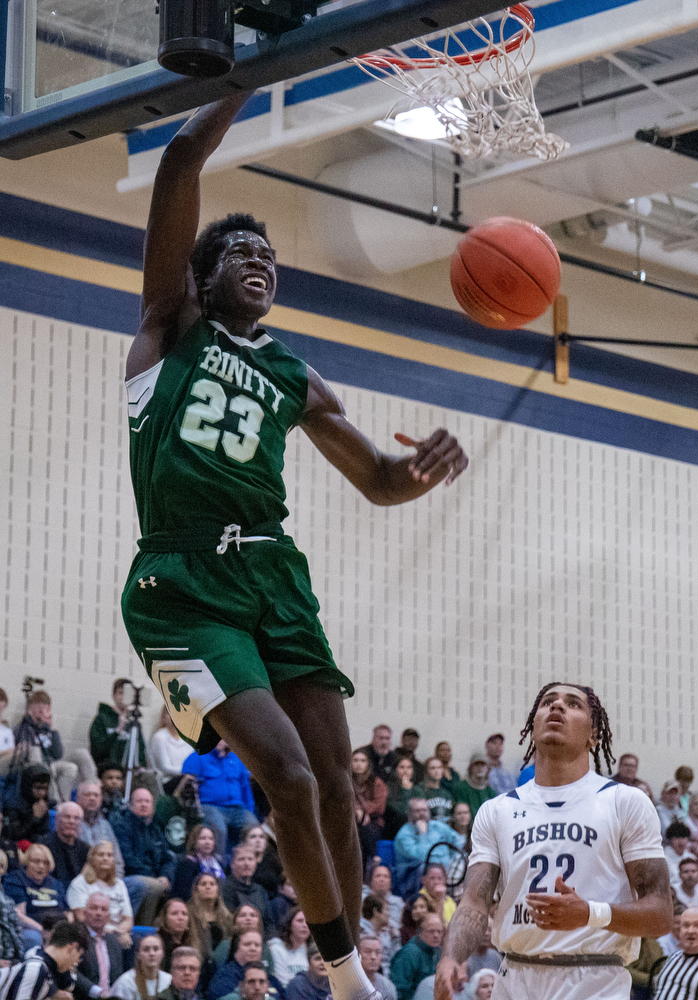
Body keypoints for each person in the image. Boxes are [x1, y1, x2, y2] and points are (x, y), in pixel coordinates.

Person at [120, 91, 467, 1000]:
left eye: (271, 257)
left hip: (273, 574)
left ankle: (340, 970)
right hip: (180, 582)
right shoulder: (168, 328)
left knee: (336, 796)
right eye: (240, 251)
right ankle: (349, 979)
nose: (260, 262)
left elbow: (380, 482)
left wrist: (424, 465)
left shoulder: (294, 375)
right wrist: (251, 70)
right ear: (199, 275)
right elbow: (178, 163)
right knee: (284, 775)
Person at [435, 682, 672, 1000]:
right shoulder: (497, 810)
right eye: (548, 702)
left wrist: (590, 913)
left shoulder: (625, 802)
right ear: (532, 729)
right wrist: (451, 956)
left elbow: (660, 915)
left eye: (573, 704)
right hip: (514, 976)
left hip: (594, 980)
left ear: (593, 735)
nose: (557, 706)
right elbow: (475, 903)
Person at [14, 690, 96, 802]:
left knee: (73, 765)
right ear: (31, 709)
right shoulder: (23, 727)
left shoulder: (48, 729)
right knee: (36, 752)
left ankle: (78, 796)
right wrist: (34, 726)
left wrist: (52, 730)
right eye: (39, 710)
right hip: (35, 765)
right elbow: (25, 749)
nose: (42, 713)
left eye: (45, 709)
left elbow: (58, 754)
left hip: (52, 763)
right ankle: (55, 802)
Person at [181, 742, 257, 861]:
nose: (220, 740)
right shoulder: (198, 757)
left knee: (253, 827)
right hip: (210, 806)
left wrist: (250, 811)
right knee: (219, 828)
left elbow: (245, 788)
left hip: (238, 807)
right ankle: (218, 869)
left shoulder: (237, 758)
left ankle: (249, 868)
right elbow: (185, 785)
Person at [111, 786, 174, 924]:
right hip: (130, 878)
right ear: (131, 805)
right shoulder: (122, 827)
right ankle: (140, 927)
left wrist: (165, 875)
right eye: (139, 801)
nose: (144, 804)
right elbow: (127, 859)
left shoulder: (155, 829)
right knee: (151, 885)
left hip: (155, 879)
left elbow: (167, 858)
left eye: (147, 801)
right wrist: (155, 878)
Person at [0, 917, 88, 1000]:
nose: (77, 962)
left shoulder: (46, 968)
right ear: (72, 948)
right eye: (79, 956)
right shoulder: (36, 967)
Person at [67, 841, 134, 947]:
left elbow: (128, 919)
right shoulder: (79, 883)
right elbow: (82, 917)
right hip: (91, 933)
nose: (105, 858)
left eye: (109, 855)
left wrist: (120, 931)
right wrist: (115, 934)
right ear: (92, 858)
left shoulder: (120, 885)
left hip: (119, 933)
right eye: (101, 854)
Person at [394, 800, 464, 900]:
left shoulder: (438, 826)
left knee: (463, 862)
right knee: (431, 871)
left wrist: (451, 857)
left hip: (445, 870)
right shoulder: (404, 834)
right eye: (417, 811)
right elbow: (421, 856)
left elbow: (458, 842)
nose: (421, 813)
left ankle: (458, 902)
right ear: (410, 814)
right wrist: (423, 834)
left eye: (424, 810)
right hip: (415, 875)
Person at [3, 842, 66, 951]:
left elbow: (67, 912)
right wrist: (41, 929)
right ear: (27, 861)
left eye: (45, 863)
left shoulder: (56, 884)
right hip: (30, 929)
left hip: (56, 929)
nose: (41, 866)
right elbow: (19, 915)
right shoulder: (16, 880)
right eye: (36, 861)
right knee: (33, 938)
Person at [90, 679, 148, 772]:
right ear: (114, 695)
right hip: (106, 769)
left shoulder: (134, 723)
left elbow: (140, 750)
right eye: (121, 693)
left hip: (129, 770)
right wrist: (118, 730)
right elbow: (97, 750)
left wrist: (142, 766)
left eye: (127, 694)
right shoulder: (101, 719)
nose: (124, 697)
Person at [76, 891, 126, 995]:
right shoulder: (76, 937)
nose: (99, 913)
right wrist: (97, 992)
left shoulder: (114, 942)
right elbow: (71, 971)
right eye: (94, 908)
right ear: (85, 912)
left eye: (104, 909)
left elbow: (118, 977)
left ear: (108, 916)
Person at [209, 929, 281, 1000]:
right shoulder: (224, 978)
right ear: (237, 948)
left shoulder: (270, 978)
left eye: (257, 945)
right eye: (247, 944)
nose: (253, 948)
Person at [77, 780, 126, 879]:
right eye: (87, 795)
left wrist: (115, 883)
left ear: (100, 799)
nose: (92, 798)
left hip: (109, 881)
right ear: (78, 798)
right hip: (82, 881)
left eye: (96, 795)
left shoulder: (105, 825)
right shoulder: (72, 823)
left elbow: (117, 861)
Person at [390, 913, 443, 1000]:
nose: (436, 935)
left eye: (439, 931)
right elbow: (399, 989)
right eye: (431, 931)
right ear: (420, 932)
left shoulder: (438, 951)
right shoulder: (409, 953)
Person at [188, 872, 233, 966]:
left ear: (217, 889)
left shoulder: (227, 916)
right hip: (197, 962)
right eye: (203, 884)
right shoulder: (188, 913)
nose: (208, 887)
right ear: (196, 890)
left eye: (212, 884)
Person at [111, 933, 172, 999]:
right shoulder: (126, 981)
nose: (151, 953)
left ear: (162, 953)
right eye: (146, 949)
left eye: (156, 949)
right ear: (138, 954)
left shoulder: (168, 980)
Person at [44, 800, 89, 890]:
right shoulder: (45, 846)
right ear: (57, 819)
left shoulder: (85, 849)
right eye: (67, 817)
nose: (71, 821)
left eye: (76, 818)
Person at [174, 826, 226, 902]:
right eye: (202, 838)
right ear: (194, 841)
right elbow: (184, 893)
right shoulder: (188, 864)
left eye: (210, 838)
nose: (207, 842)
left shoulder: (219, 864)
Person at [155, 774, 204, 854]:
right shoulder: (166, 803)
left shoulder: (193, 809)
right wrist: (177, 794)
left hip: (184, 854)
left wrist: (196, 801)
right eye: (188, 785)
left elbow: (197, 829)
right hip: (165, 851)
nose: (190, 790)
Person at [3, 763, 52, 844]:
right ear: (28, 786)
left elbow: (44, 833)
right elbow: (13, 835)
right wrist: (35, 818)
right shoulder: (12, 804)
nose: (42, 793)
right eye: (38, 788)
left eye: (45, 788)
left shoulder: (42, 803)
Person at [362, 865, 403, 956]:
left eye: (385, 876)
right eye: (378, 876)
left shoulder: (398, 903)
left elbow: (396, 927)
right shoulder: (361, 898)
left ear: (390, 882)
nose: (382, 879)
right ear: (371, 880)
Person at [220, 844, 269, 917]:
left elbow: (268, 921)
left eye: (250, 859)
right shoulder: (224, 889)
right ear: (232, 864)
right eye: (241, 859)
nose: (246, 864)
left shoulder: (261, 891)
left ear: (255, 864)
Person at [268, 908, 311, 989]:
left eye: (307, 921)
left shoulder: (313, 951)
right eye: (300, 921)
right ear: (290, 924)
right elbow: (282, 981)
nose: (305, 925)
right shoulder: (277, 948)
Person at [158, 898, 201, 973]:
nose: (180, 918)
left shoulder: (194, 943)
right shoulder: (158, 944)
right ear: (165, 919)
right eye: (174, 913)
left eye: (184, 914)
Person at [151, 706, 193, 780]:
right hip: (167, 780)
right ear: (164, 717)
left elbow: (193, 761)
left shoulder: (188, 738)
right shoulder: (160, 737)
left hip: (187, 777)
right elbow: (165, 767)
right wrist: (186, 772)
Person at [351, 751, 387, 834]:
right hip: (350, 817)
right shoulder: (346, 782)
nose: (359, 764)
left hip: (373, 819)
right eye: (355, 760)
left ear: (368, 764)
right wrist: (356, 810)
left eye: (363, 761)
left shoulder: (377, 783)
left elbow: (379, 805)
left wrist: (362, 811)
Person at [0, 849, 24, 967]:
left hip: (9, 960)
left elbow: (16, 933)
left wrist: (18, 960)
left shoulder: (8, 901)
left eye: (1, 866)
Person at [412, 759, 454, 824]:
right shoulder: (419, 790)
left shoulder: (447, 792)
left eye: (439, 767)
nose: (437, 771)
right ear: (426, 771)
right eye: (432, 768)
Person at [384, 759, 417, 841]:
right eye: (402, 767)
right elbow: (403, 811)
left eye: (409, 767)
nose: (405, 770)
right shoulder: (388, 788)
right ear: (395, 770)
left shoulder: (418, 788)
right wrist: (406, 790)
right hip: (394, 827)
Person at [360, 897, 392, 977]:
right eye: (386, 910)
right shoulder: (360, 933)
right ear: (376, 912)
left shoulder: (385, 934)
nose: (389, 914)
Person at [359, 936, 397, 1000]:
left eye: (378, 952)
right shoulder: (350, 985)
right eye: (368, 952)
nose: (373, 957)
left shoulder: (387, 986)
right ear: (358, 954)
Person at [663, 821, 696, 889]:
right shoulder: (663, 858)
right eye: (676, 838)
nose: (680, 841)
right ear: (670, 840)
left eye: (683, 837)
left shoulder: (691, 857)